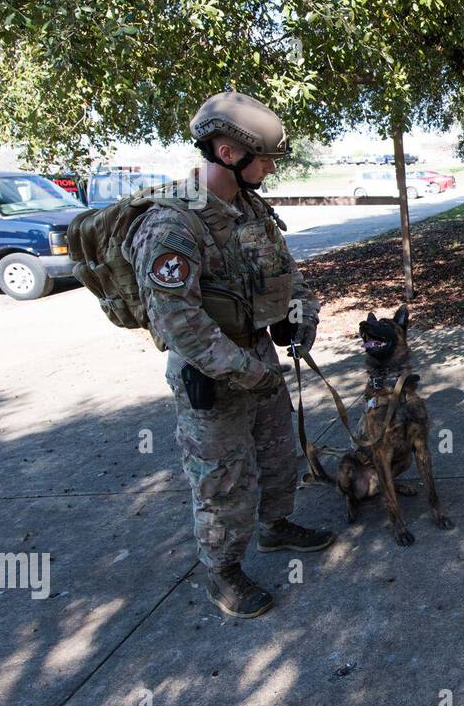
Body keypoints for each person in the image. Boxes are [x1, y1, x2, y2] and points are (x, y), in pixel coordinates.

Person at [128, 91, 333, 618]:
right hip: (211, 377)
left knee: (277, 455)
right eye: (263, 157)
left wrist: (301, 316)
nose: (269, 167)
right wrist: (248, 373)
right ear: (226, 152)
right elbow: (183, 327)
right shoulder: (172, 225)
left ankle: (275, 526)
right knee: (223, 479)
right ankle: (223, 572)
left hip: (258, 357)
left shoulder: (251, 210)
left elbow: (290, 278)